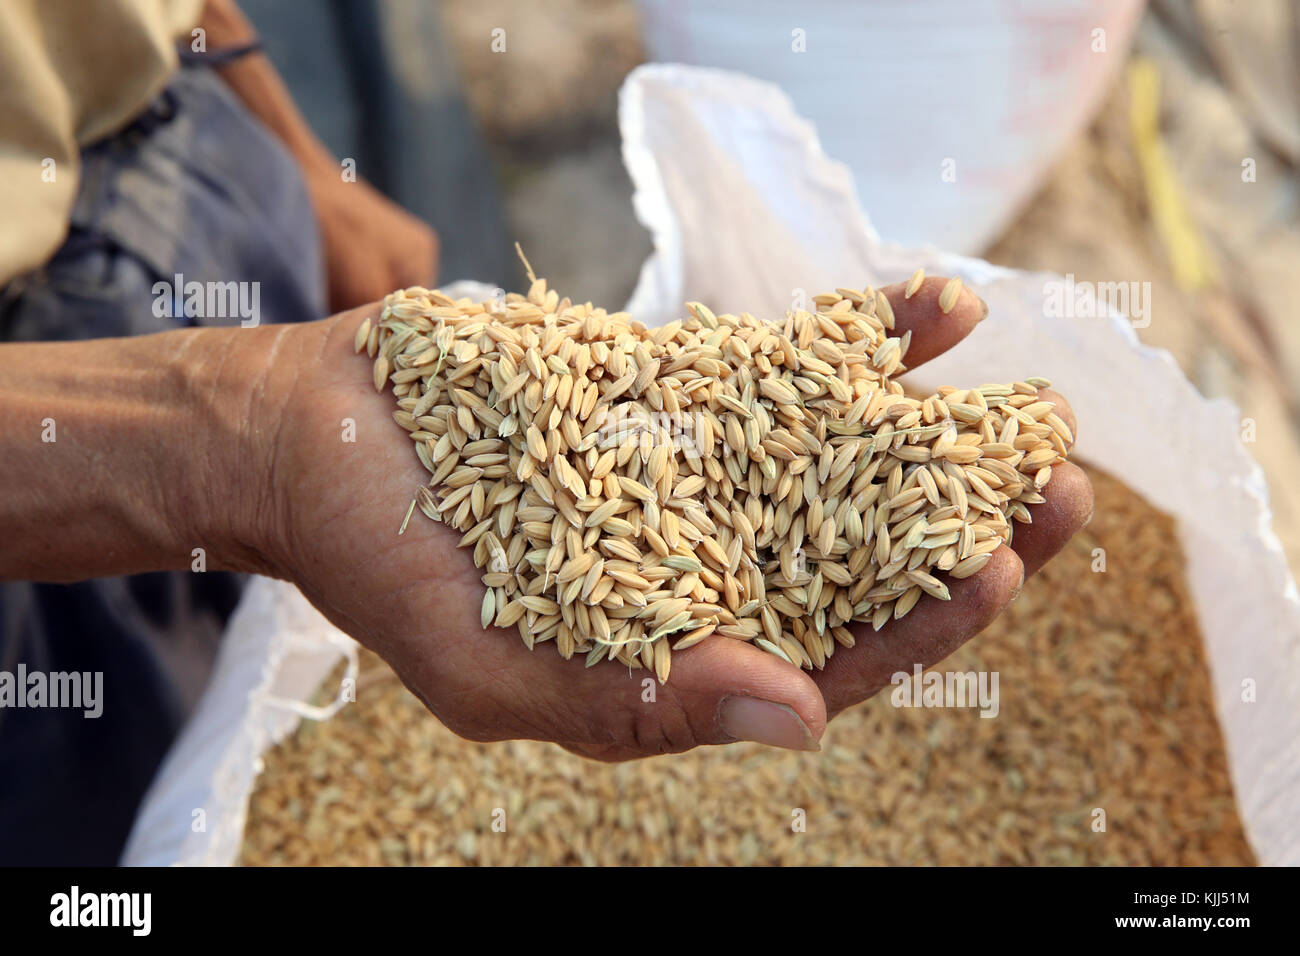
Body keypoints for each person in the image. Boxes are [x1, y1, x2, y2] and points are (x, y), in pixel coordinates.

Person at [1, 2, 1095, 865]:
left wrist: (274, 134)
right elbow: (246, 435)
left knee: (210, 661)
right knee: (100, 785)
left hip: (173, 143)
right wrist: (240, 448)